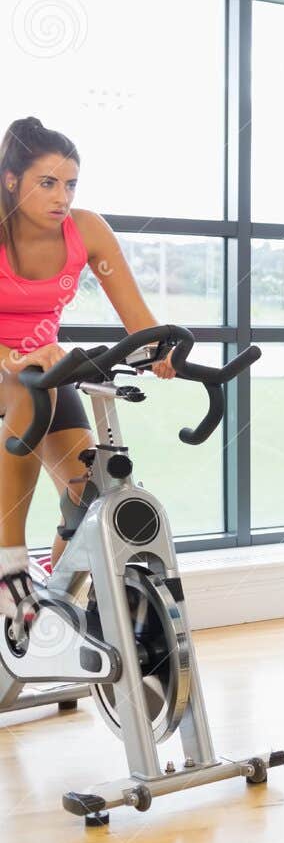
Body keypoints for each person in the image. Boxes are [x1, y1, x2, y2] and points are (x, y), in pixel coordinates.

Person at [0, 116, 176, 626]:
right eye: (48, 183)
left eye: (71, 184)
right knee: (30, 389)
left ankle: (59, 601)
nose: (63, 197)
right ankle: (9, 568)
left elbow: (139, 323)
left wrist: (163, 351)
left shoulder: (87, 230)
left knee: (89, 490)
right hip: (15, 370)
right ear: (12, 181)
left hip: (41, 372)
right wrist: (13, 359)